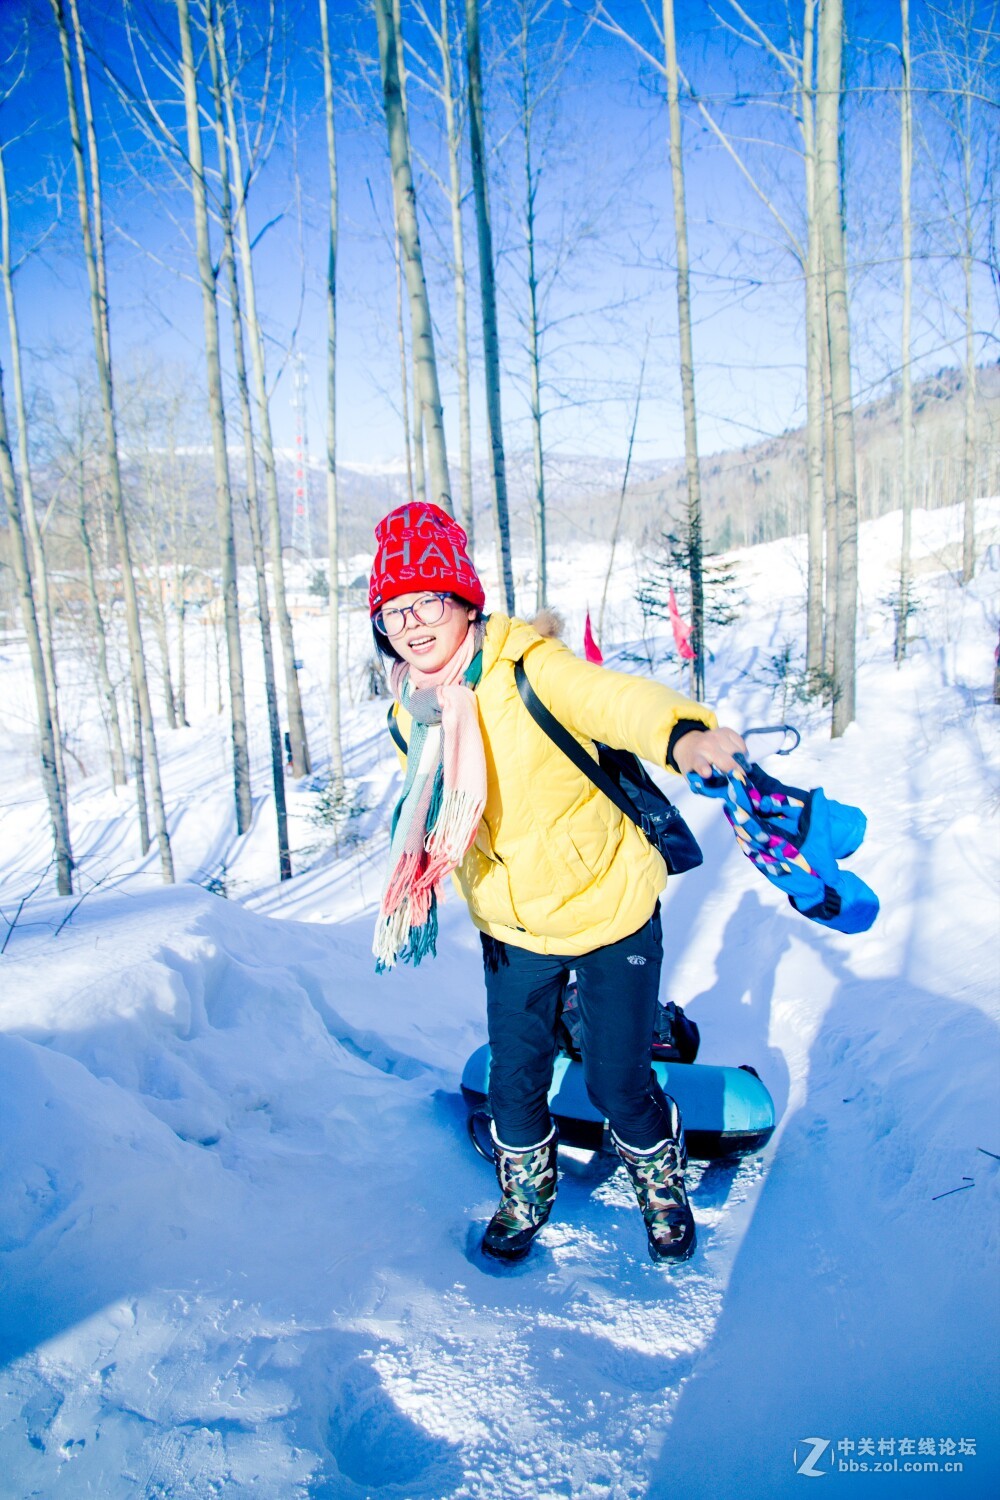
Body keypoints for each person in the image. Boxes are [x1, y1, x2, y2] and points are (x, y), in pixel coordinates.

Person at [369, 502, 746, 1265]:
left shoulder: (530, 668)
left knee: (618, 1083)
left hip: (609, 906)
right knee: (514, 1085)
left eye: (428, 602)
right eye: (394, 611)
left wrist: (683, 734)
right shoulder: (415, 712)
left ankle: (660, 1185)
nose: (412, 625)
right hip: (513, 925)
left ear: (465, 602)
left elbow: (616, 701)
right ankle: (525, 1196)